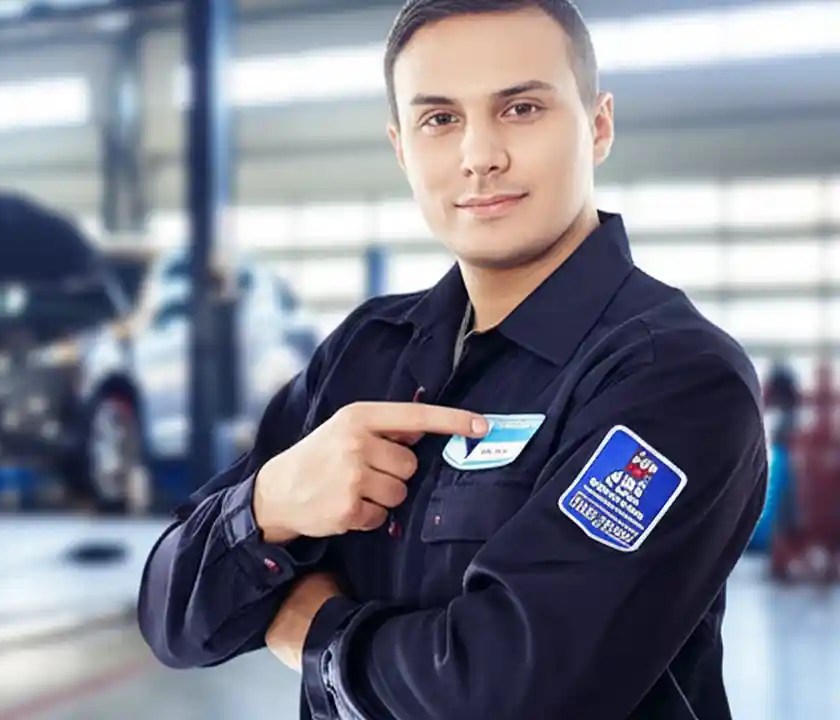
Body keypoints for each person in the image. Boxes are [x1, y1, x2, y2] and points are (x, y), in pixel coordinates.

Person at [137, 1, 768, 718]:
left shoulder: (674, 379)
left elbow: (512, 694)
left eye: (522, 108)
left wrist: (318, 634)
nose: (480, 155)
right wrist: (270, 505)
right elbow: (171, 618)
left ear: (597, 125)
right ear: (403, 147)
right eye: (440, 119)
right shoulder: (367, 352)